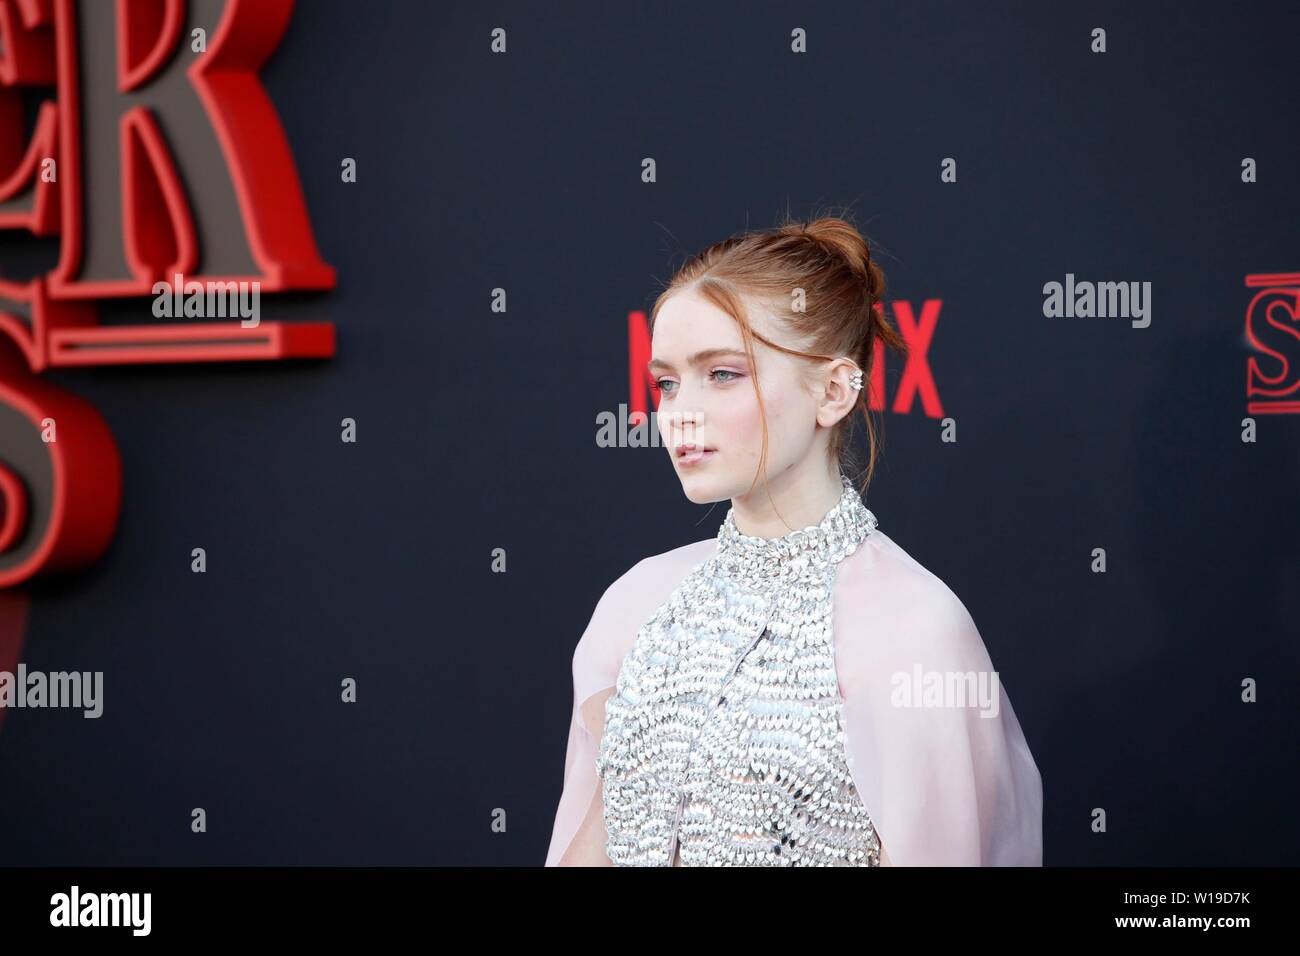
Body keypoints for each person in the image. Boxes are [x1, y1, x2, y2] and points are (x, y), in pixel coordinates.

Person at [545, 215, 1042, 866]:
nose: (680, 412)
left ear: (833, 390)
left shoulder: (915, 629)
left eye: (723, 373)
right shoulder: (633, 605)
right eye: (666, 381)